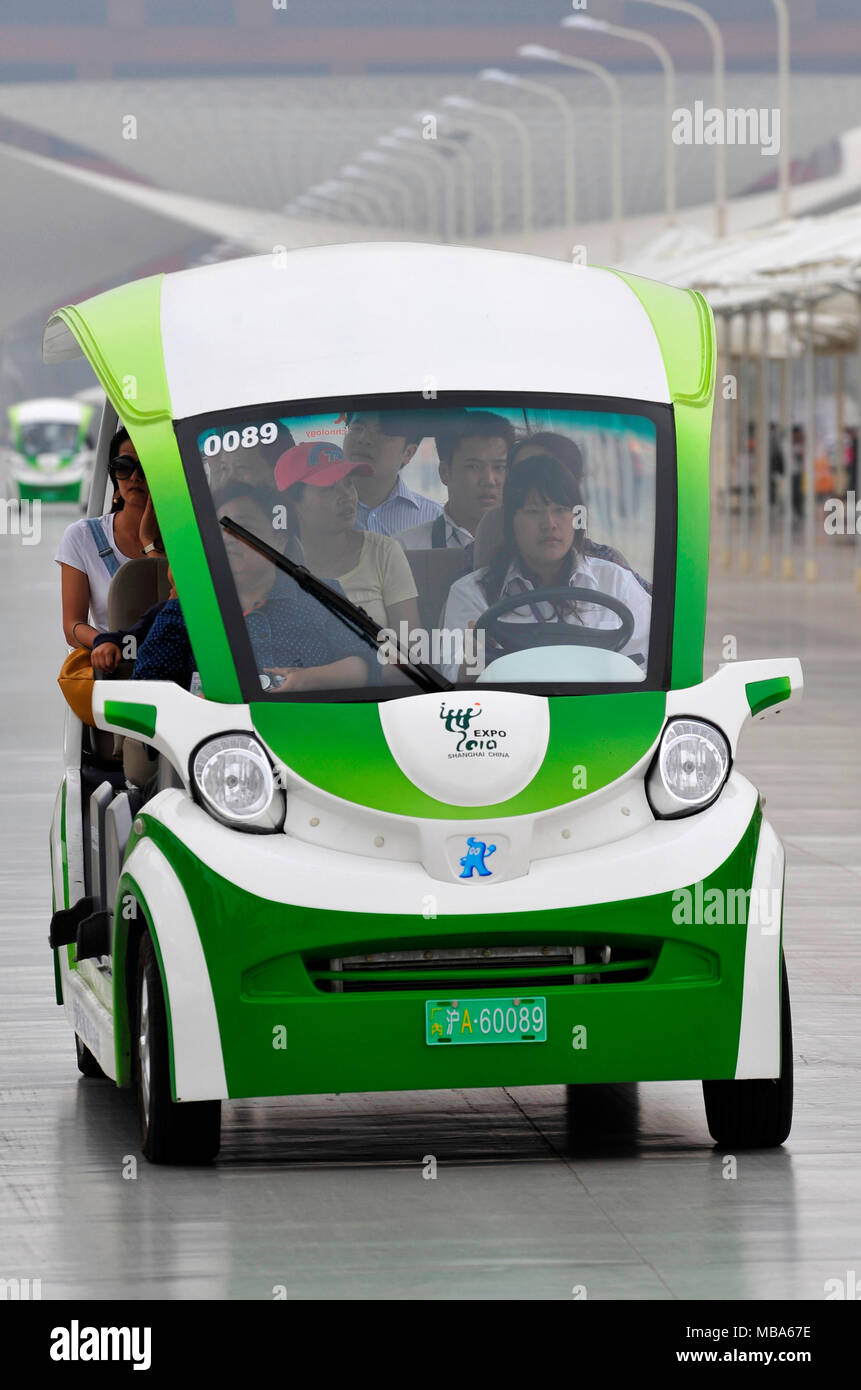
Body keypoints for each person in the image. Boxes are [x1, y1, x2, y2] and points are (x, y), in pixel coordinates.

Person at [132, 481, 376, 693]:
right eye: (220, 531)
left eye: (242, 529)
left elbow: (364, 663)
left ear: (279, 540)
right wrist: (196, 707)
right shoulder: (187, 610)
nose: (228, 540)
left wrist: (307, 680)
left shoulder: (320, 595)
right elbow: (146, 686)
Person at [441, 452, 651, 682]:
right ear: (511, 522)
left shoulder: (616, 583)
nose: (549, 524)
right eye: (533, 511)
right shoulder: (471, 594)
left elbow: (651, 667)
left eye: (560, 509)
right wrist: (473, 661)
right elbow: (455, 687)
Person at [275, 440, 421, 636]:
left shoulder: (383, 552)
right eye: (329, 487)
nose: (346, 495)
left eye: (349, 483)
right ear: (293, 503)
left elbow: (412, 651)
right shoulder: (273, 565)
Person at [56, 426, 162, 660]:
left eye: (145, 467)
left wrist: (148, 542)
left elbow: (174, 606)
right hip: (116, 670)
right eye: (124, 467)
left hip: (175, 668)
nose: (134, 477)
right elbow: (72, 625)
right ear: (114, 474)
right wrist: (104, 643)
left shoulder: (187, 536)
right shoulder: (82, 536)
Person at [510, 431, 652, 593]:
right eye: (522, 473)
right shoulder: (480, 579)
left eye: (551, 472)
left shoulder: (607, 565)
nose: (549, 523)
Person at [396, 410, 513, 550]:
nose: (489, 480)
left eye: (499, 467)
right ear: (445, 473)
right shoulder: (405, 549)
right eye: (474, 467)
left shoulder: (528, 547)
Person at [342, 409, 442, 536]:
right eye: (357, 427)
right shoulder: (315, 510)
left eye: (381, 432)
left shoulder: (434, 519)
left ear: (408, 453)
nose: (364, 439)